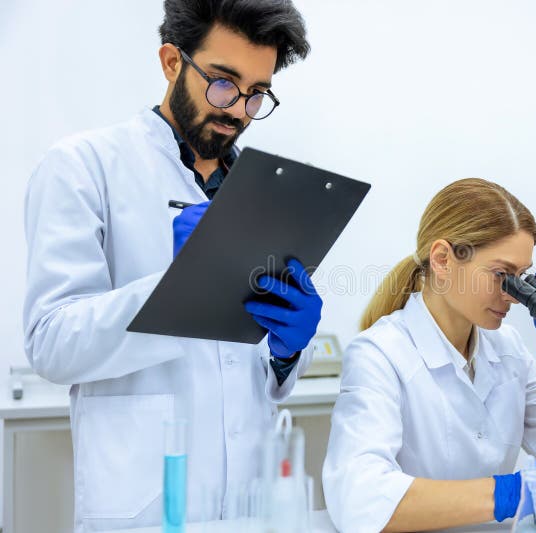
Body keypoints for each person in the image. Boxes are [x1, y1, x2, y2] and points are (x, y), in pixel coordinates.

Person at [22, 1, 320, 531]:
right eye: (224, 83)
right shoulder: (84, 167)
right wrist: (175, 286)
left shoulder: (260, 191)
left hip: (248, 506)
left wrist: (286, 352)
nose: (237, 111)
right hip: (143, 505)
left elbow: (242, 373)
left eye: (257, 94)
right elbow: (50, 343)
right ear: (170, 62)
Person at [323, 178, 536, 532]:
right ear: (442, 260)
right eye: (501, 274)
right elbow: (359, 501)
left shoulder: (507, 349)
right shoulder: (379, 354)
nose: (513, 295)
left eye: (520, 277)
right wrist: (514, 492)